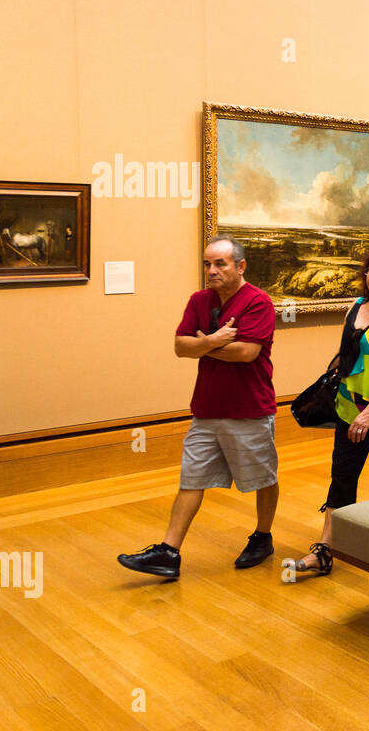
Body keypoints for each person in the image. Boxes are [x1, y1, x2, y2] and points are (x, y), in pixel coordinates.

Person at [119, 236, 279, 578]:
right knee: (191, 479)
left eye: (220, 264)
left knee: (262, 477)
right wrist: (212, 340)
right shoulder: (199, 300)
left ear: (240, 266)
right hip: (206, 409)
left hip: (249, 409)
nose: (211, 271)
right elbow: (180, 346)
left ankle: (263, 537)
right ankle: (169, 552)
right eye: (207, 264)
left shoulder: (259, 303)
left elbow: (246, 353)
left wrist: (200, 345)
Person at [285, 248, 369, 577]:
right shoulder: (357, 307)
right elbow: (345, 352)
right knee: (342, 477)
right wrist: (327, 386)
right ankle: (325, 550)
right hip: (350, 407)